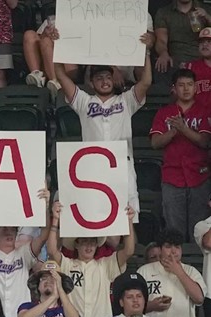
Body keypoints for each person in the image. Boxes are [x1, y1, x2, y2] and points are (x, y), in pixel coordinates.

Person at [52, 39, 153, 218]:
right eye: (99, 78)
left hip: (122, 165)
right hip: (93, 165)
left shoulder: (126, 100)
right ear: (91, 83)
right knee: (96, 215)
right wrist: (58, 47)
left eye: (108, 77)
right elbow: (61, 76)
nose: (104, 81)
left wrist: (145, 52)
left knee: (128, 216)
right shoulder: (84, 101)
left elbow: (146, 81)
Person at [152, 69, 211, 239]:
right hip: (172, 177)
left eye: (190, 85)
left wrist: (183, 128)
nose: (186, 89)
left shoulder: (205, 111)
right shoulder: (164, 113)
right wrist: (172, 132)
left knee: (199, 232)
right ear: (174, 88)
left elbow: (205, 142)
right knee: (174, 231)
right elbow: (155, 143)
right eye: (181, 85)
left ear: (195, 88)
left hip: (199, 177)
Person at [138, 230, 204, 317]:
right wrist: (151, 306)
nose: (173, 251)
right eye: (168, 246)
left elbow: (199, 298)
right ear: (160, 249)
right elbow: (132, 306)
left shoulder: (191, 271)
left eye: (177, 247)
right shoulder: (145, 271)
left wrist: (178, 271)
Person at [155, 0, 210, 71]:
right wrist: (163, 53)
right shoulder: (164, 12)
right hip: (175, 59)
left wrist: (207, 17)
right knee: (161, 66)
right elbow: (161, 40)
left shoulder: (206, 9)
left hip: (202, 58)